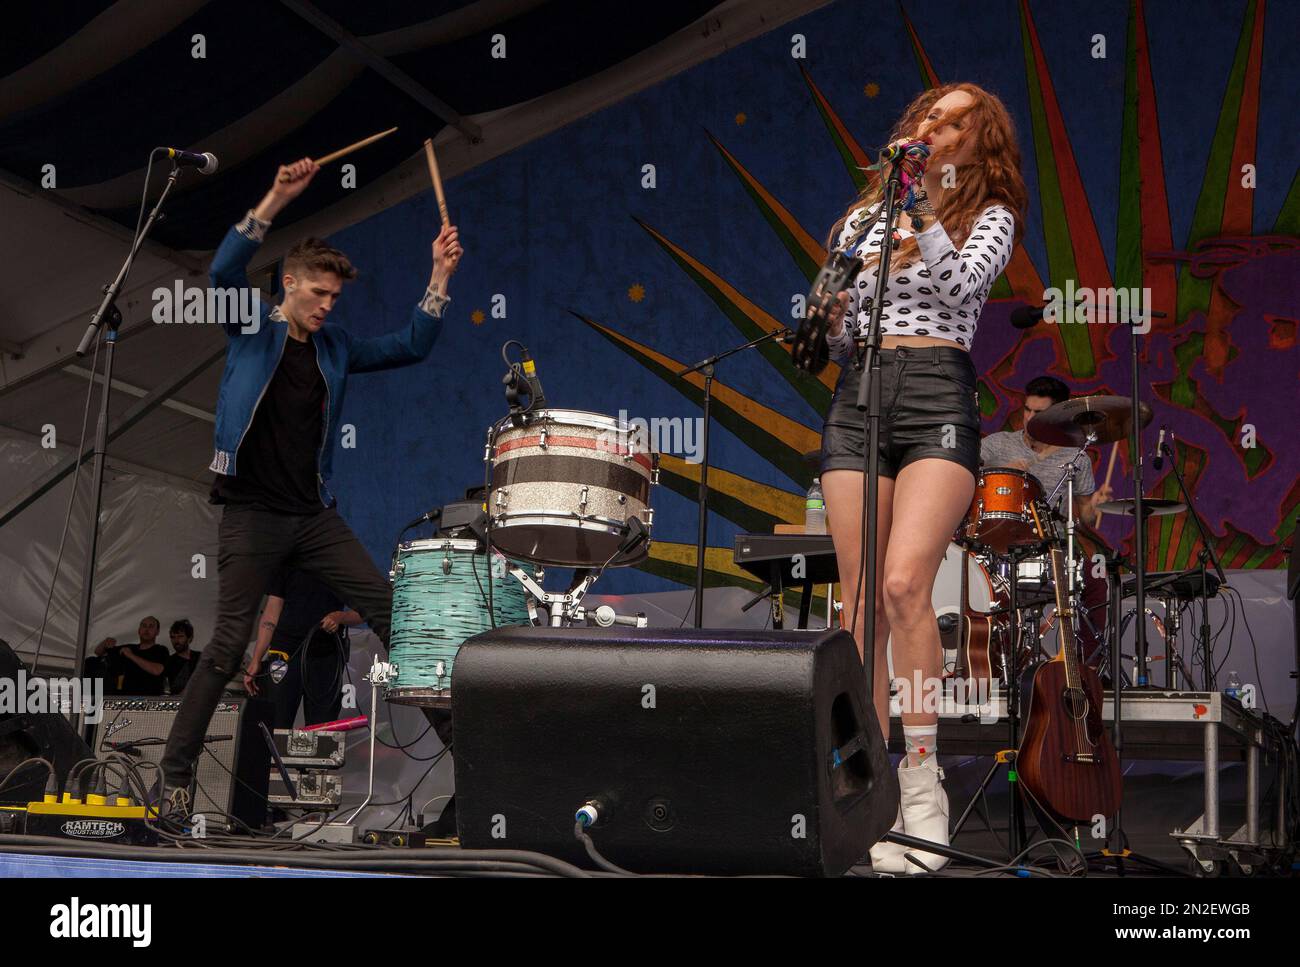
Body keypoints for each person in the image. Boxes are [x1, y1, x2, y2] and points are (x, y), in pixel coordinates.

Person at [158, 157, 462, 816]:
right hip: (250, 512)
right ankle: (174, 779)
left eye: (335, 297)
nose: (328, 306)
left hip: (312, 516)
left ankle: (469, 751)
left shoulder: (337, 348)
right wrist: (276, 195)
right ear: (288, 284)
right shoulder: (250, 331)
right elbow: (222, 270)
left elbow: (412, 343)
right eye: (318, 294)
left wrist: (439, 275)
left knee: (391, 614)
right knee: (227, 644)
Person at [819, 83, 1028, 873]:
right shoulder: (864, 217)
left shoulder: (990, 214)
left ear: (980, 143)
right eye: (929, 116)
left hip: (938, 389)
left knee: (907, 584)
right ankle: (864, 784)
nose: (933, 126)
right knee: (860, 597)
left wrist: (924, 210)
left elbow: (961, 289)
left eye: (954, 121)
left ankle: (920, 773)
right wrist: (830, 319)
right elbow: (837, 331)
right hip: (858, 396)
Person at [980, 375, 1113, 664]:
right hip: (997, 554)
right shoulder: (997, 445)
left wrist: (1097, 504)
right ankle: (991, 664)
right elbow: (959, 473)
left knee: (1096, 579)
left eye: (1039, 413)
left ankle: (1086, 667)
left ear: (1058, 414)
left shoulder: (1077, 457)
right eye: (1027, 410)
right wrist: (1002, 468)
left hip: (1052, 554)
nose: (1029, 418)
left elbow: (1085, 517)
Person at [243, 569, 363, 729]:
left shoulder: (340, 561)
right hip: (284, 654)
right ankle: (273, 755)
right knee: (275, 726)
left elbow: (363, 612)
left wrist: (340, 617)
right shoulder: (287, 559)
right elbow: (272, 612)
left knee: (322, 730)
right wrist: (256, 659)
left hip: (326, 656)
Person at [90, 616, 169, 695]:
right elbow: (98, 652)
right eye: (144, 626)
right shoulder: (129, 648)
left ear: (157, 632)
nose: (146, 629)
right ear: (139, 630)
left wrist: (131, 655)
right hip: (125, 699)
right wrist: (105, 642)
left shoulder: (161, 650)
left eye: (151, 626)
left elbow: (156, 670)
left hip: (149, 700)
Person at [164, 619, 202, 694]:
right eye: (173, 637)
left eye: (180, 636)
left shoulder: (201, 657)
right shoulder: (169, 662)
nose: (176, 640)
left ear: (189, 638)